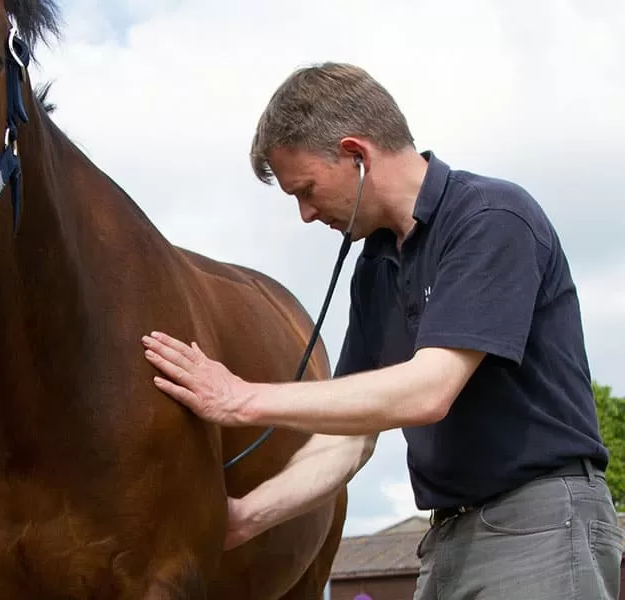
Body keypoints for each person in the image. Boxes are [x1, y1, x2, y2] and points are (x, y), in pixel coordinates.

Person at [141, 62, 623, 599]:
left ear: (357, 155)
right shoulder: (375, 268)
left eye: (306, 189)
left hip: (539, 524)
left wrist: (241, 399)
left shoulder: (491, 217)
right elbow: (348, 439)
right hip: (448, 537)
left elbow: (430, 389)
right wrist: (242, 517)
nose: (305, 214)